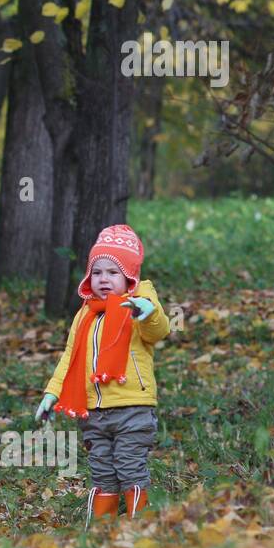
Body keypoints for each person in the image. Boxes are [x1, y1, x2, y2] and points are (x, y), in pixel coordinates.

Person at [35, 224, 170, 526]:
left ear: (129, 278)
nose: (104, 279)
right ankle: (102, 525)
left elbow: (158, 332)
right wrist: (51, 393)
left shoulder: (139, 306)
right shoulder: (86, 314)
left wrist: (148, 313)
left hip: (132, 407)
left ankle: (139, 523)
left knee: (129, 464)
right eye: (97, 272)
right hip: (94, 412)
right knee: (102, 469)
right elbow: (70, 357)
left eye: (113, 272)